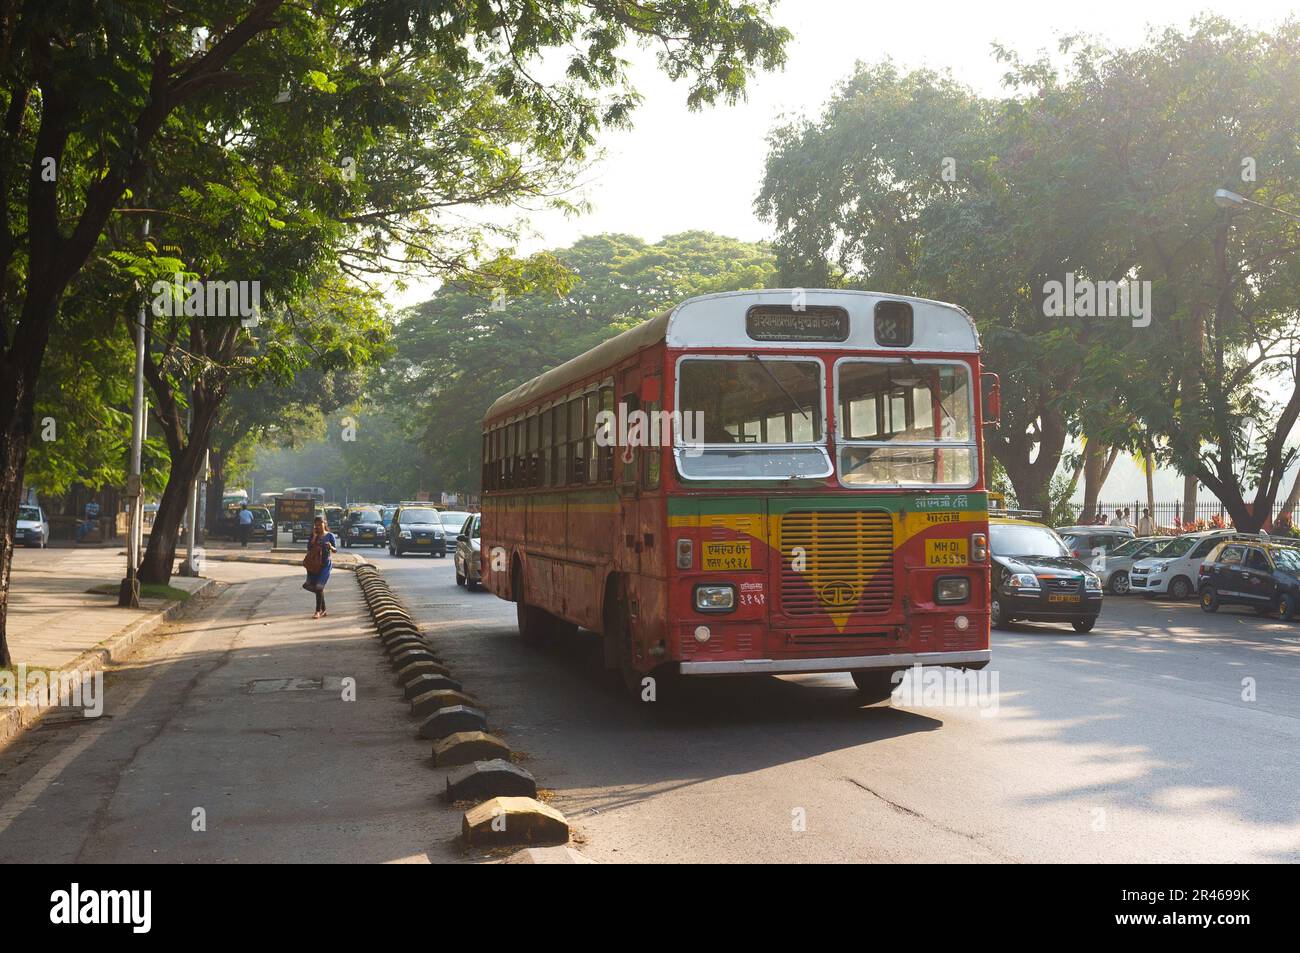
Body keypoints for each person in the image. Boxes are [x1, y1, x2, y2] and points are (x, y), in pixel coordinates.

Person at [303, 516, 337, 618]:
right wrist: (314, 536)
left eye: (320, 524)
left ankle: (318, 611)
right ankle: (324, 609)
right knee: (308, 585)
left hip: (325, 565)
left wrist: (331, 547)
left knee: (318, 587)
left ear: (324, 523)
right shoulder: (314, 535)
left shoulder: (330, 535)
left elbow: (335, 550)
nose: (318, 526)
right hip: (313, 564)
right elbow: (309, 548)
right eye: (316, 525)